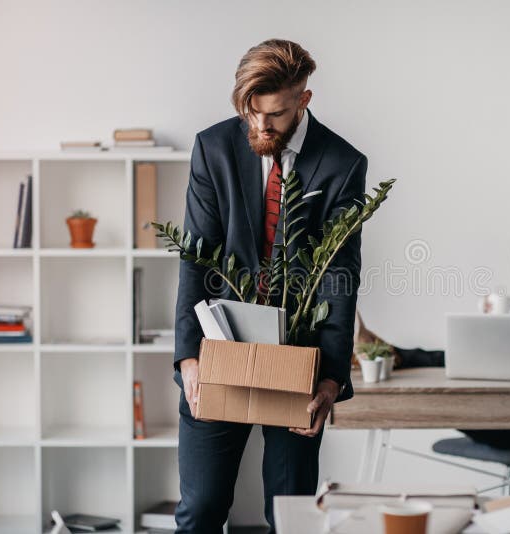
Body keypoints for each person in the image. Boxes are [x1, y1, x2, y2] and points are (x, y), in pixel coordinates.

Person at [174, 39, 366, 532]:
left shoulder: (343, 164)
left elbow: (340, 278)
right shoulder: (213, 147)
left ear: (304, 100)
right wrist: (189, 358)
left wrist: (331, 378)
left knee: (292, 517)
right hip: (219, 349)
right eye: (251, 113)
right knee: (200, 509)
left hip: (298, 360)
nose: (261, 127)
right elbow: (195, 258)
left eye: (276, 114)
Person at [355, 234, 510, 450]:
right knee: (451, 357)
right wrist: (492, 319)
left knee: (440, 405)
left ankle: (383, 355)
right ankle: (384, 353)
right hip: (499, 405)